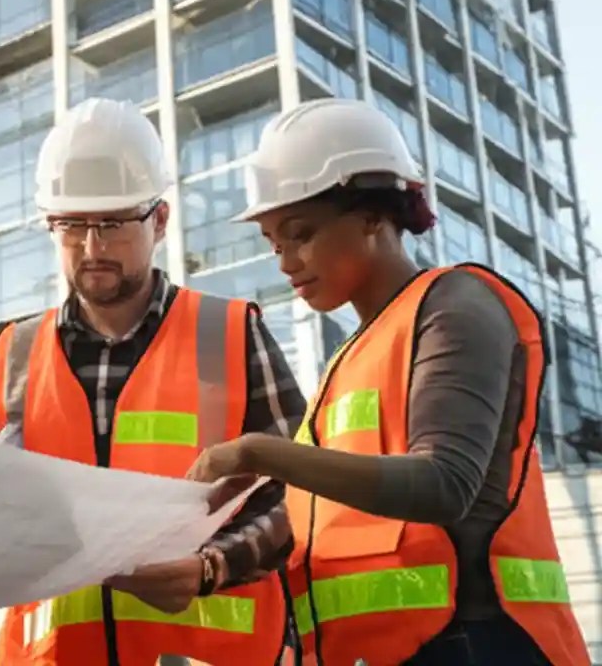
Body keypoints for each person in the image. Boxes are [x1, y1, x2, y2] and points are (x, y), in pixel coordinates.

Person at [185, 98, 590, 666]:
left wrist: (260, 452)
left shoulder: (455, 305)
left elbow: (445, 484)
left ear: (374, 213)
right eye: (275, 243)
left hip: (476, 645)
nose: (285, 261)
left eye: (301, 233)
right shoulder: (348, 360)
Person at [0, 98, 305, 666]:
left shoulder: (231, 333)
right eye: (72, 226)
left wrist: (214, 566)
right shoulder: (10, 356)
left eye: (112, 224)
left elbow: (300, 496)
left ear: (159, 220)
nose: (92, 248)